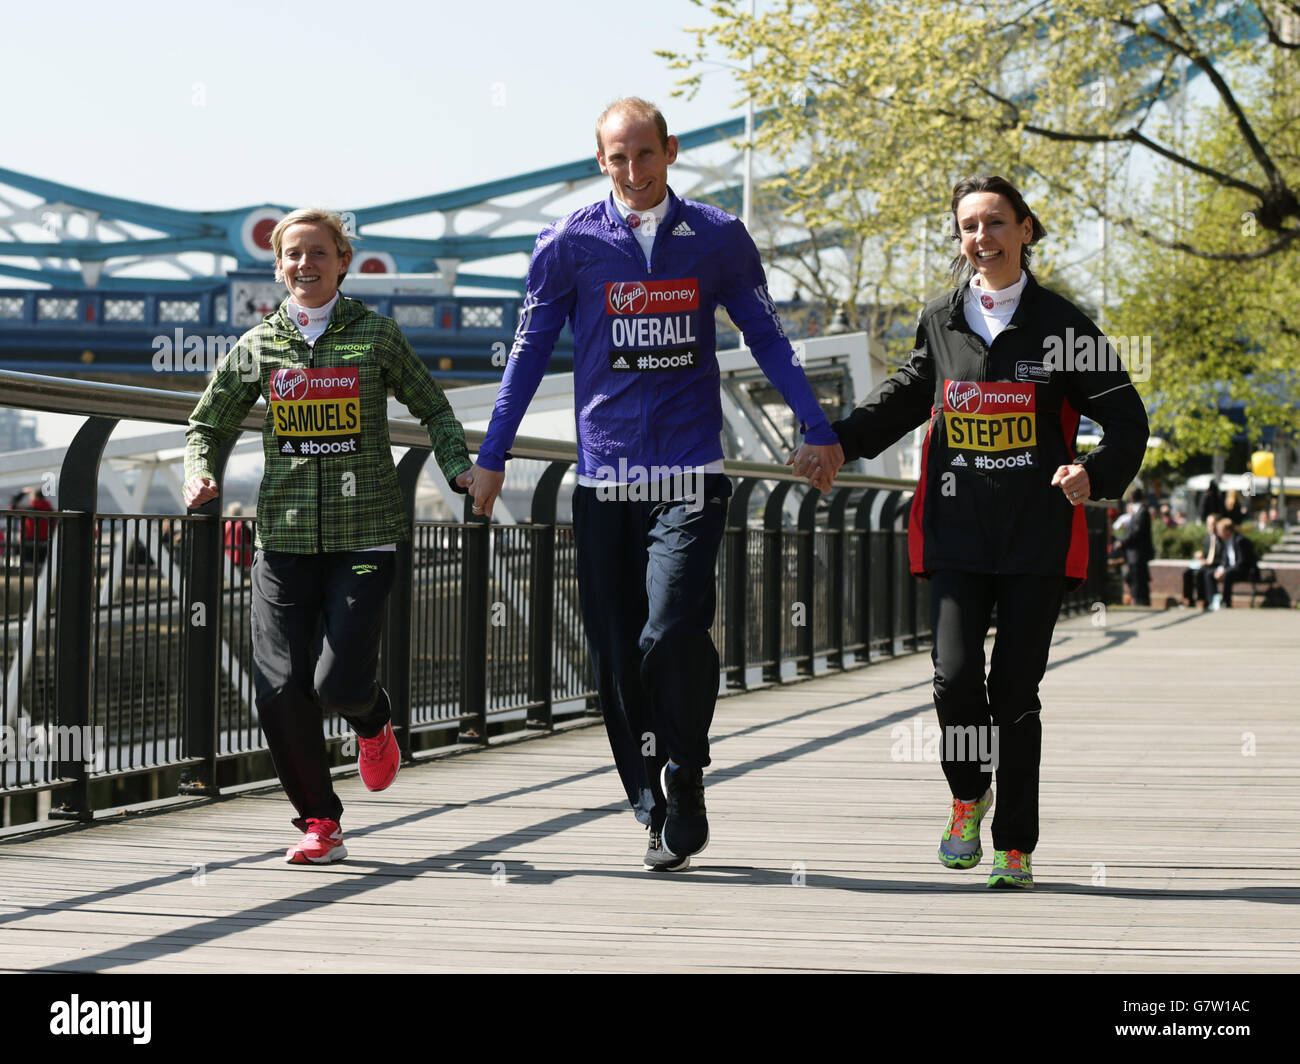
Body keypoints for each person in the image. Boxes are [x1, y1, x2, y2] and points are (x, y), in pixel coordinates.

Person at [462, 97, 842, 872]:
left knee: (670, 627)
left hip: (689, 472)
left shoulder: (718, 238)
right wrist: (493, 455)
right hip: (605, 479)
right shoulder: (567, 243)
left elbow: (766, 334)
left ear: (670, 152)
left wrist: (816, 425)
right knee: (615, 652)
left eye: (645, 155)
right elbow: (527, 356)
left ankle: (687, 769)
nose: (633, 172)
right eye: (617, 158)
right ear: (600, 161)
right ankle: (651, 803)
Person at [801, 175, 1149, 888]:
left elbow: (1128, 419)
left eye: (995, 223)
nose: (981, 239)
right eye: (968, 227)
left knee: (1015, 692)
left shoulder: (1062, 327)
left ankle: (1014, 845)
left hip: (1035, 539)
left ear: (1026, 229)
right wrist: (835, 442)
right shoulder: (943, 319)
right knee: (954, 680)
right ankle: (968, 794)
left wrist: (1095, 473)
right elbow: (901, 399)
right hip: (956, 532)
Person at [184, 207, 472, 865]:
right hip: (283, 539)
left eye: (318, 253)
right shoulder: (259, 344)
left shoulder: (376, 336)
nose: (304, 266)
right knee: (280, 686)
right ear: (278, 265)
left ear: (343, 260)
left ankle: (372, 722)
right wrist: (200, 473)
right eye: (292, 255)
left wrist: (457, 466)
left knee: (338, 684)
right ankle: (320, 821)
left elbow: (433, 407)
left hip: (364, 534)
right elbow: (208, 424)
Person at [1199, 517, 1258, 609]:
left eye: (1220, 530)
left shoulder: (1240, 541)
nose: (1218, 533)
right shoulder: (1224, 541)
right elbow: (1224, 560)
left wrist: (1225, 570)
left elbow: (1242, 562)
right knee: (1209, 574)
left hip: (1243, 571)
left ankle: (1227, 602)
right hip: (1230, 569)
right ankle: (1213, 600)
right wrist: (1221, 569)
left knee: (1228, 574)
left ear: (1227, 531)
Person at [1122, 489, 1154, 606]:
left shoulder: (1142, 512)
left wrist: (1123, 542)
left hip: (1138, 552)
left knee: (1139, 577)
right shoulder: (1139, 512)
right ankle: (1138, 599)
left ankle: (1141, 600)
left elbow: (1137, 531)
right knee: (1137, 577)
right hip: (1136, 552)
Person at [1182, 513, 1220, 607]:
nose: (1211, 527)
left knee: (1201, 573)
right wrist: (1201, 556)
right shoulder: (1207, 538)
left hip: (1215, 565)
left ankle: (1202, 599)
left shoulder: (1222, 538)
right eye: (1209, 524)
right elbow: (1207, 554)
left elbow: (1223, 558)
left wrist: (1208, 562)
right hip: (1205, 563)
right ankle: (1188, 599)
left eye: (1213, 524)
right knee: (1187, 572)